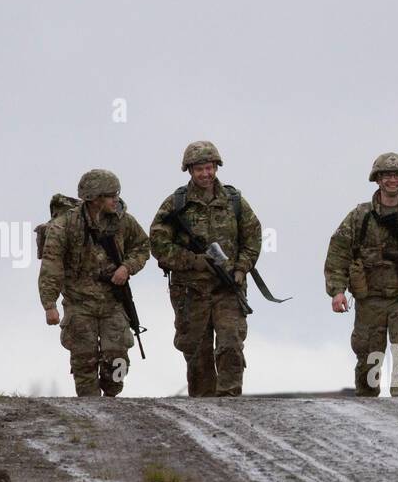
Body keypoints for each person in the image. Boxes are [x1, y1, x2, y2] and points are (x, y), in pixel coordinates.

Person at [323, 152, 398, 397]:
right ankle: (369, 412)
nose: (393, 180)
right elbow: (338, 253)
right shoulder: (361, 216)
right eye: (387, 175)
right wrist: (337, 291)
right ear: (377, 179)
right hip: (370, 299)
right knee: (369, 359)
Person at [149, 141, 263, 397]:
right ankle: (204, 407)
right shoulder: (176, 204)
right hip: (191, 292)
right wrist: (193, 260)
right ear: (189, 170)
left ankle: (230, 400)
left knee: (231, 344)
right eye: (199, 169)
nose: (205, 174)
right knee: (197, 353)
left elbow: (253, 237)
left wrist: (241, 268)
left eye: (209, 168)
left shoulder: (234, 201)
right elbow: (158, 244)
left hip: (227, 289)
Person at [38, 169, 149, 396]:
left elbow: (142, 247)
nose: (115, 199)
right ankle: (92, 413)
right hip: (79, 303)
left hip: (113, 301)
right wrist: (50, 305)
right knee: (83, 362)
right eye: (110, 195)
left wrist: (126, 268)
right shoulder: (64, 226)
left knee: (118, 359)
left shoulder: (123, 221)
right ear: (94, 198)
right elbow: (52, 266)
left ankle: (113, 395)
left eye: (116, 194)